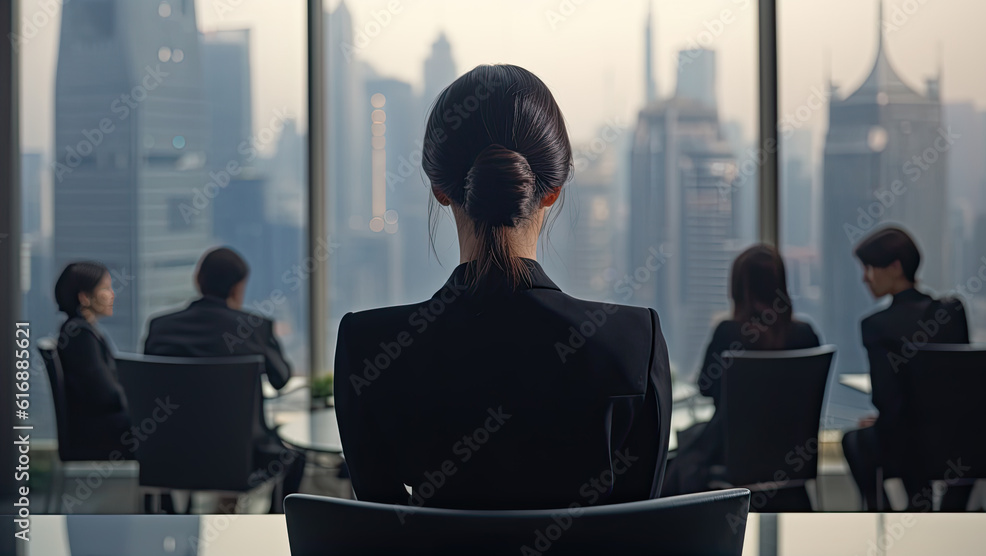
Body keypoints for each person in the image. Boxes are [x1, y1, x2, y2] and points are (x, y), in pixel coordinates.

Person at [334, 64, 671, 510]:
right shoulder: (634, 343)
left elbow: (383, 530)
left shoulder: (369, 348)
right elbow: (636, 530)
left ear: (439, 188)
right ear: (551, 189)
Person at [143, 247, 304, 513]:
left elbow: (150, 382)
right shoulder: (253, 327)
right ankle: (276, 530)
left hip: (171, 455)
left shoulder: (160, 328)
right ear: (238, 288)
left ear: (198, 279)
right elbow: (281, 379)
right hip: (241, 458)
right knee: (295, 456)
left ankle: (172, 518)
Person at [662, 244, 821, 496]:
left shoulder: (728, 333)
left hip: (734, 455)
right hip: (793, 459)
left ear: (738, 288)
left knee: (677, 465)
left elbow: (706, 387)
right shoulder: (805, 334)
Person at [841, 226, 969, 511]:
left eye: (870, 268)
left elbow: (886, 399)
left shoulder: (876, 325)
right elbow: (961, 383)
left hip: (907, 445)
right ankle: (945, 515)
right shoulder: (952, 312)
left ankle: (888, 516)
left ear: (895, 267)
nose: (865, 277)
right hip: (958, 443)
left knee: (854, 442)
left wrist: (884, 419)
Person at [53, 262, 133, 459]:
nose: (112, 294)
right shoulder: (80, 335)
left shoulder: (76, 331)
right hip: (99, 433)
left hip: (96, 427)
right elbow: (105, 394)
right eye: (105, 288)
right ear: (84, 297)